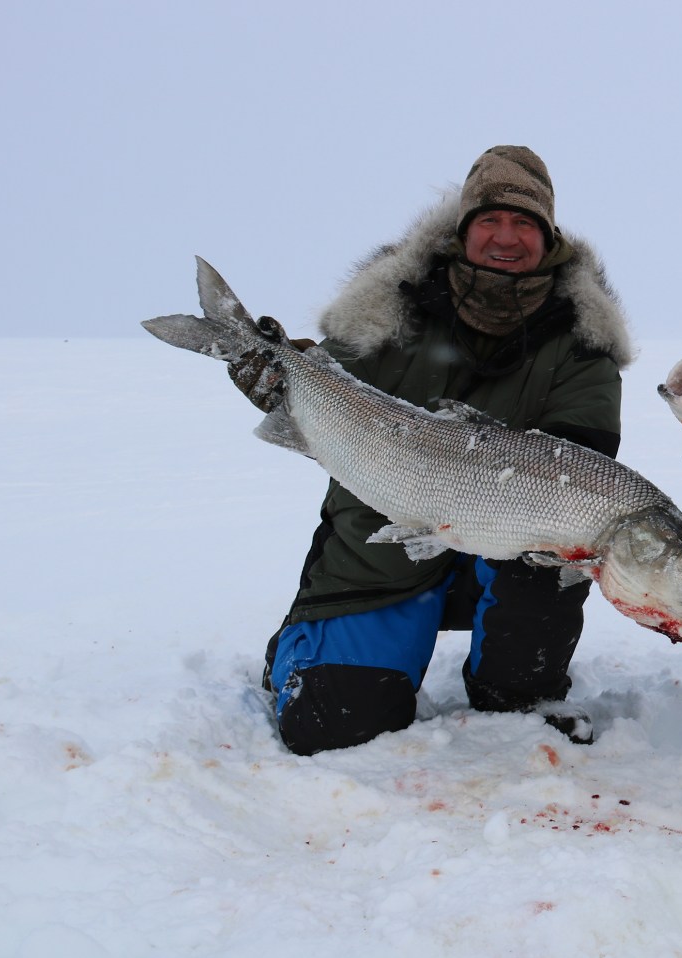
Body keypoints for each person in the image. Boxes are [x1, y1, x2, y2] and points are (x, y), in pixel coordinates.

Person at [231, 146, 632, 755]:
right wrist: (278, 380)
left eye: (525, 223)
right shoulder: (390, 308)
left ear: (549, 240)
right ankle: (300, 649)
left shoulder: (581, 339)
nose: (506, 237)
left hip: (505, 551)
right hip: (383, 541)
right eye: (488, 221)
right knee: (332, 727)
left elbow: (580, 463)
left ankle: (514, 690)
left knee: (561, 549)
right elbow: (327, 401)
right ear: (461, 231)